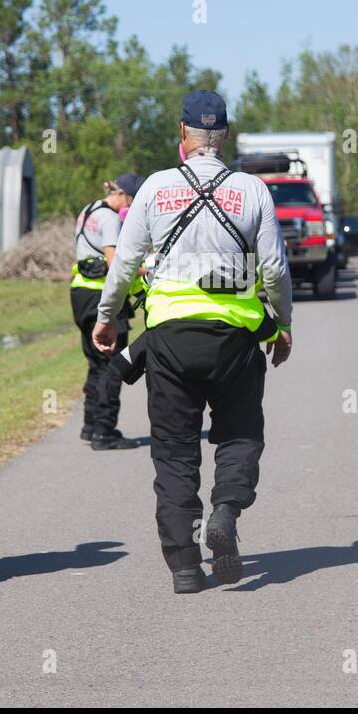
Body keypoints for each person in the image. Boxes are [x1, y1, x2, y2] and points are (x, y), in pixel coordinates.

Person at [93, 91, 293, 594]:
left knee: (175, 452)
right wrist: (283, 323)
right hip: (237, 341)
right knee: (240, 435)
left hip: (169, 341)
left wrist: (107, 316)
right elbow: (274, 269)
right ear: (224, 136)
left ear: (183, 134)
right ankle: (225, 511)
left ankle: (184, 564)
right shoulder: (252, 190)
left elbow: (123, 264)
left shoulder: (156, 188)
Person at [71, 172, 144, 450]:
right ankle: (105, 432)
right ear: (123, 194)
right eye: (133, 201)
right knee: (111, 365)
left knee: (95, 362)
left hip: (80, 293)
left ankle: (90, 426)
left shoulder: (88, 209)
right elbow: (118, 266)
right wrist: (144, 270)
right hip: (102, 297)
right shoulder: (111, 219)